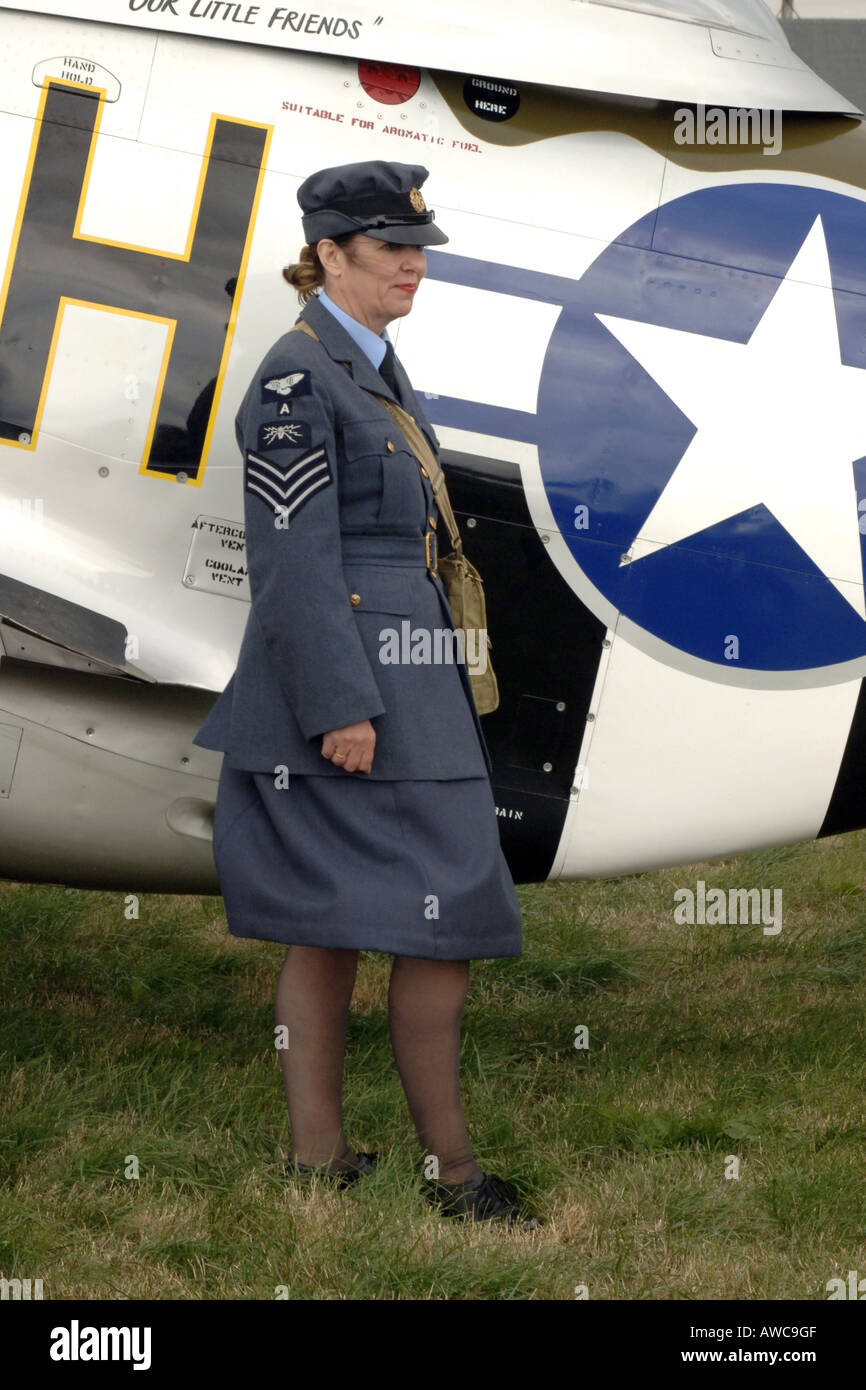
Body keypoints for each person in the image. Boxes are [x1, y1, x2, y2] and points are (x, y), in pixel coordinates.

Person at [193, 160, 538, 1232]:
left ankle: (322, 1158)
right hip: (363, 695)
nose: (410, 262)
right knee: (432, 924)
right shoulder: (301, 379)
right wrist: (339, 705)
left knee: (336, 922)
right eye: (386, 246)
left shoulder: (369, 366)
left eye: (417, 245)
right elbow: (291, 560)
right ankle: (453, 1175)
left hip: (407, 677)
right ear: (328, 254)